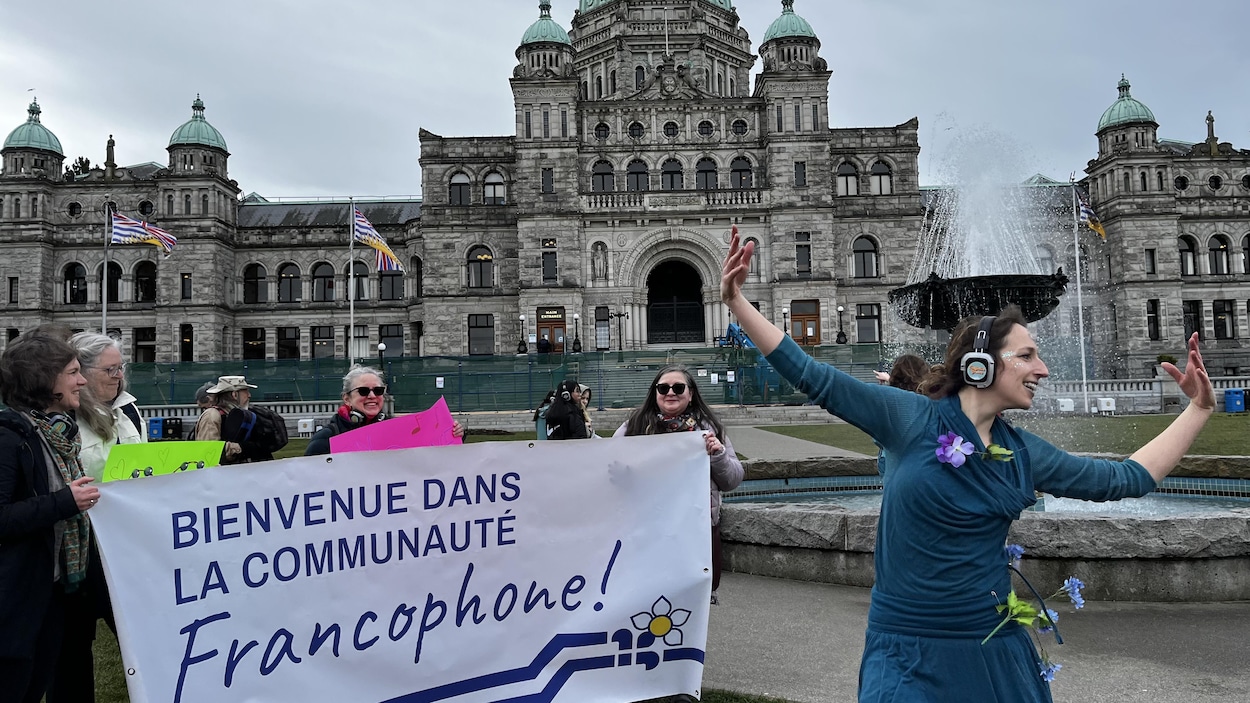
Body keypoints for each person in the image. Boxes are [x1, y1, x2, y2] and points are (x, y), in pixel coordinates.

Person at [720, 225, 1214, 702]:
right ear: (979, 364)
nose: (1042, 368)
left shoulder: (1024, 452)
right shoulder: (909, 417)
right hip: (907, 652)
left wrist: (1199, 410)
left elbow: (1123, 479)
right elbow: (812, 375)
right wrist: (738, 302)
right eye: (1026, 356)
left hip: (995, 651)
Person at [0, 331, 100, 703]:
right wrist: (64, 502)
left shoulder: (56, 436)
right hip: (16, 602)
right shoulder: (10, 437)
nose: (83, 380)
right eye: (73, 372)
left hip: (52, 592)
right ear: (45, 378)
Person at [46, 333, 146, 702]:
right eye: (110, 369)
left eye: (121, 368)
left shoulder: (129, 411)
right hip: (79, 549)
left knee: (143, 641)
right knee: (71, 648)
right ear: (81, 373)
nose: (118, 376)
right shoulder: (60, 422)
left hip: (127, 548)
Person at [613, 365, 743, 604]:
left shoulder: (708, 429)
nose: (670, 392)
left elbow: (733, 479)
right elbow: (608, 471)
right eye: (663, 388)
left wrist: (718, 455)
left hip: (696, 531)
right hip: (645, 532)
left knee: (691, 608)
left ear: (691, 393)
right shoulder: (634, 428)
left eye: (678, 387)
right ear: (655, 393)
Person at [305, 366, 463, 455]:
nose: (372, 396)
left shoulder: (400, 430)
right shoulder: (326, 440)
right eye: (363, 391)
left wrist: (453, 434)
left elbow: (431, 462)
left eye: (378, 390)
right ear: (347, 398)